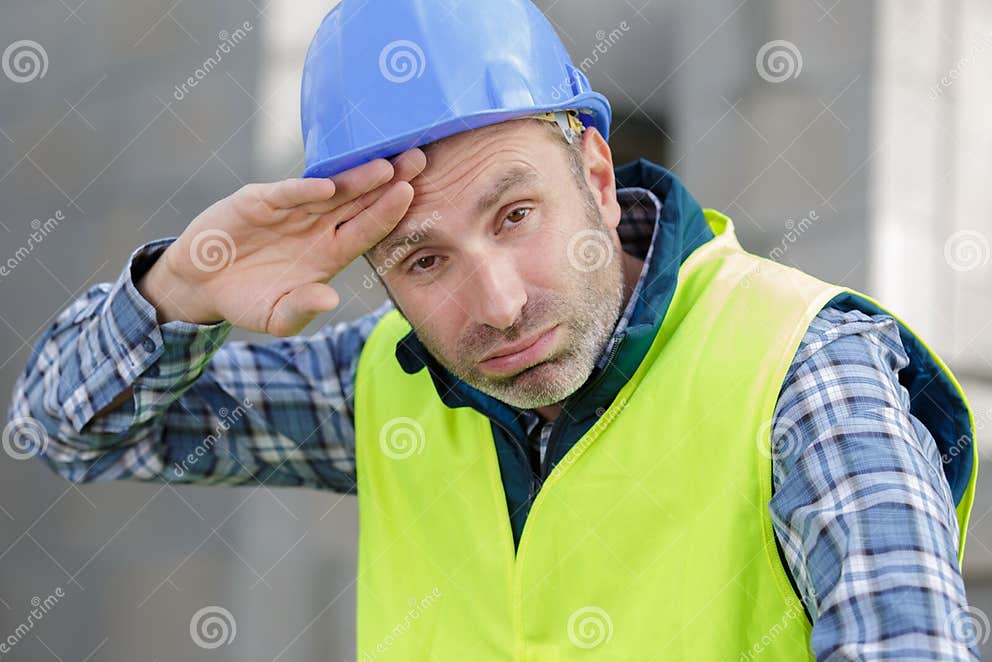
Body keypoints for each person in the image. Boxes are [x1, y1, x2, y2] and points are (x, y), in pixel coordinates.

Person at [6, 0, 980, 659]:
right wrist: (184, 284)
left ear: (594, 177)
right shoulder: (384, 380)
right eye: (424, 261)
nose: (499, 304)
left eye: (515, 214)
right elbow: (67, 426)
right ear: (376, 271)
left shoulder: (805, 372)